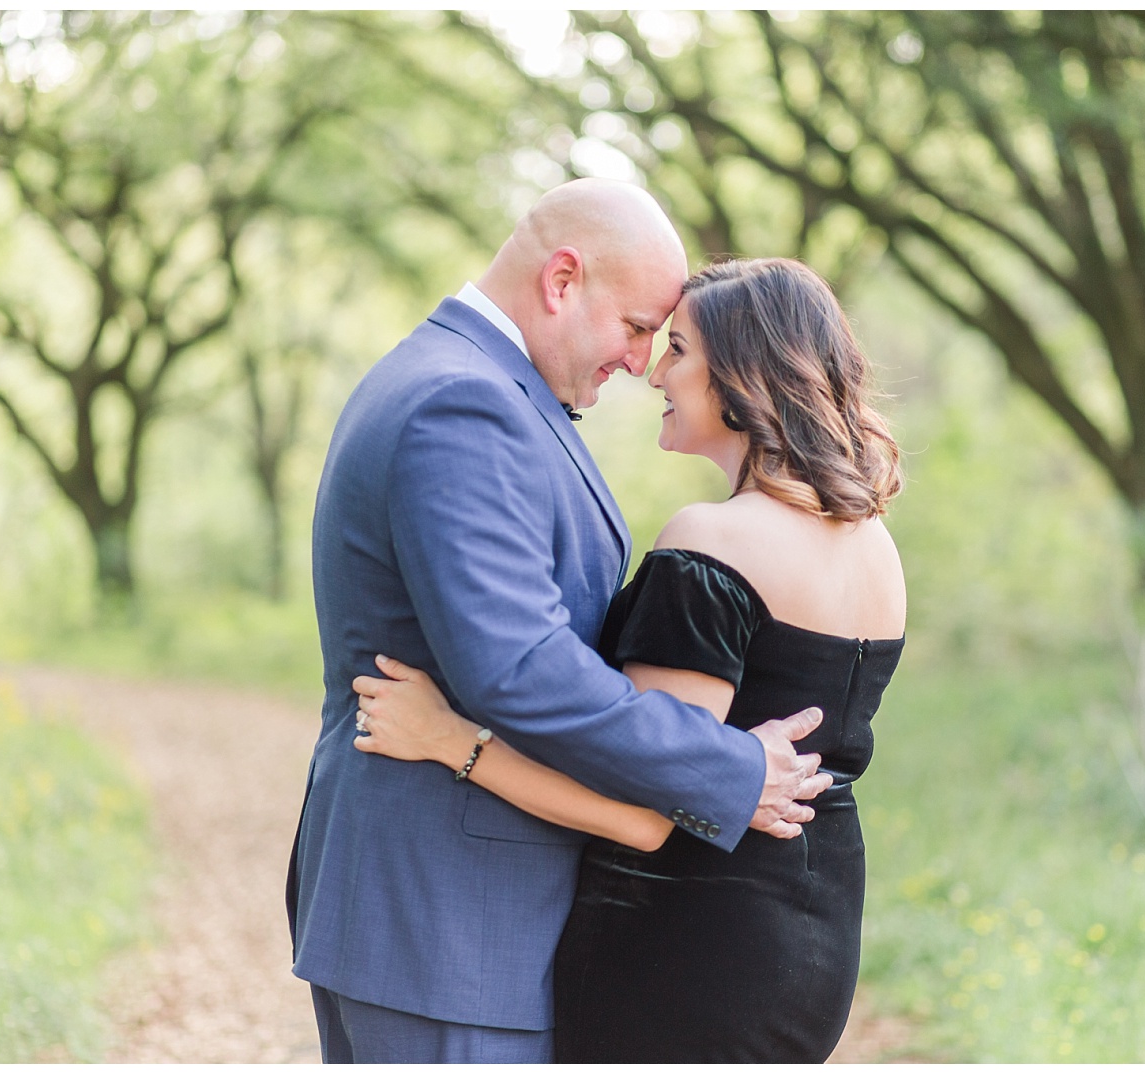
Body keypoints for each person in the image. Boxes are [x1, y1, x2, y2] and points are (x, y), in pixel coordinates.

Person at [288, 180, 833, 1064]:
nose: (641, 361)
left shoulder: (483, 386)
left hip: (458, 918)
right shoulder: (461, 405)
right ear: (562, 280)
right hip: (448, 922)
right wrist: (730, 767)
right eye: (634, 327)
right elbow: (520, 668)